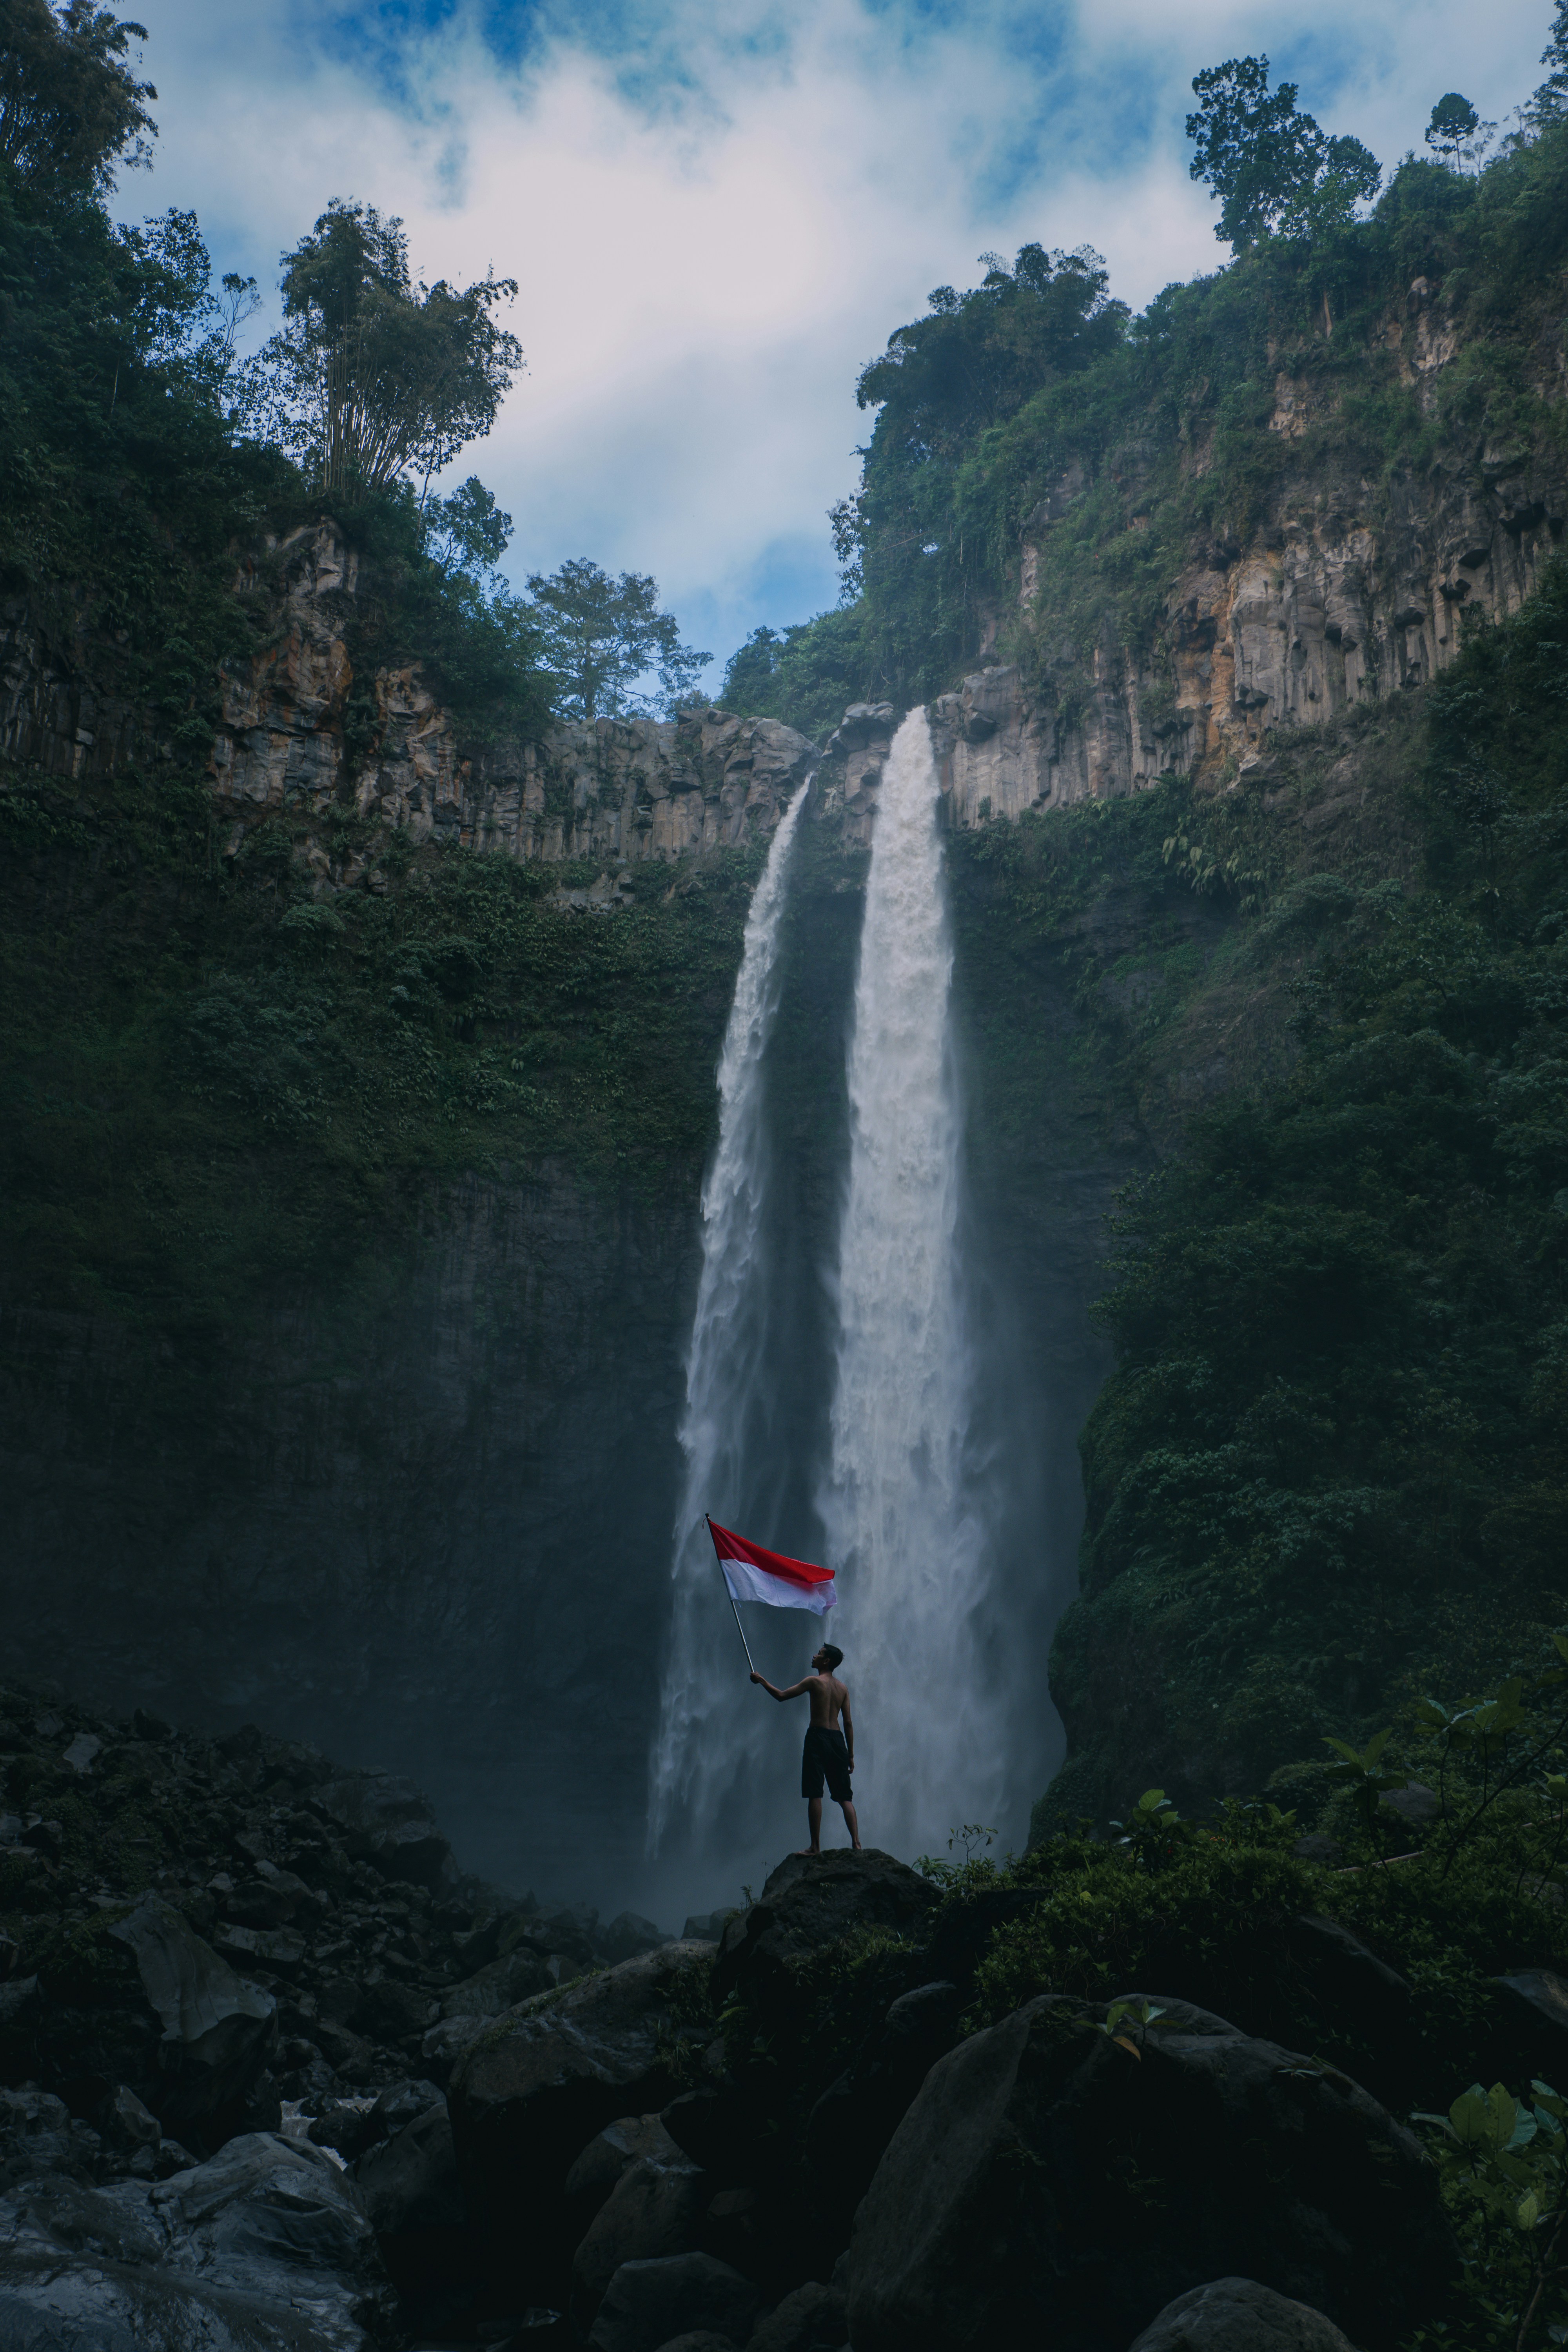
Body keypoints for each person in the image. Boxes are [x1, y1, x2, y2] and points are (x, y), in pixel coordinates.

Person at [750, 1643, 861, 1854]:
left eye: (819, 1654)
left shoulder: (814, 1682)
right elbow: (848, 1723)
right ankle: (857, 1844)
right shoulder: (843, 1689)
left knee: (815, 1793)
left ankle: (815, 1847)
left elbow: (782, 1696)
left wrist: (761, 1680)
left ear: (826, 1661)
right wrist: (851, 1755)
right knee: (844, 1796)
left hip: (817, 1737)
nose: (814, 1656)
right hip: (838, 1741)